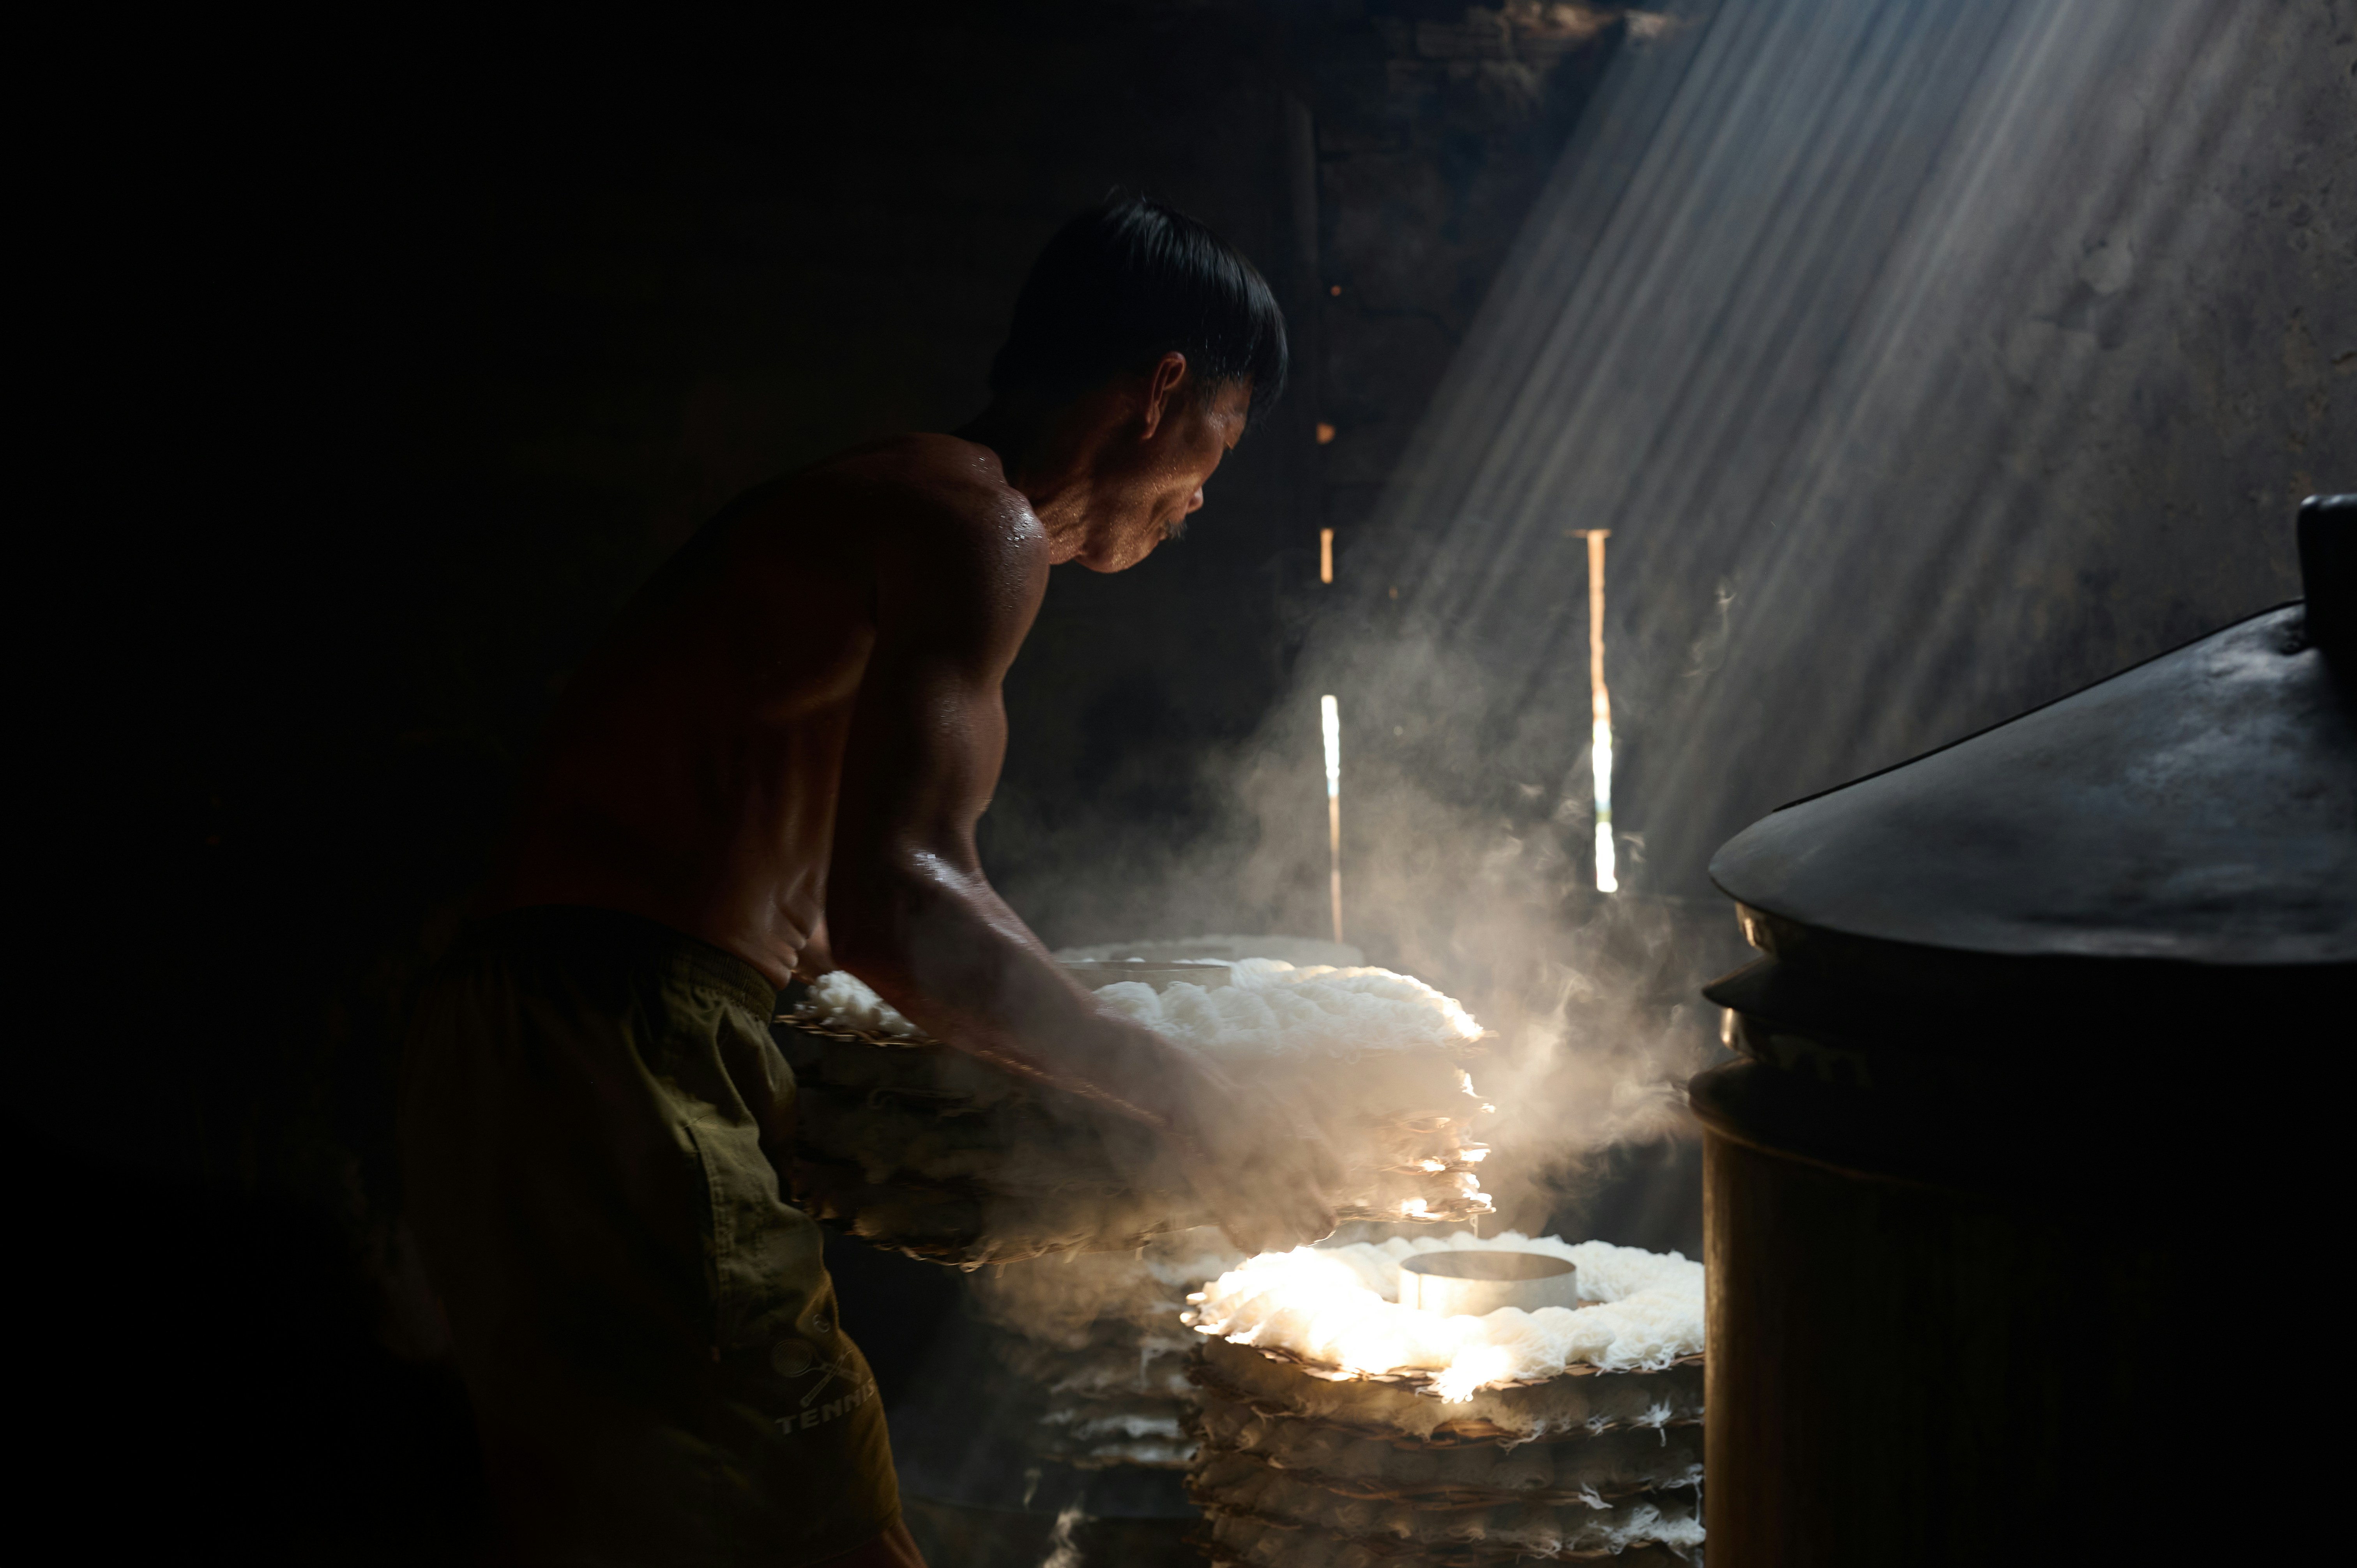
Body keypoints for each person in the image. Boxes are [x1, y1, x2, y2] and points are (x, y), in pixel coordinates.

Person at [399, 194, 1339, 1567]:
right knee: (813, 1516)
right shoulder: (977, 523)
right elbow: (902, 901)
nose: (1205, 495)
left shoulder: (892, 510)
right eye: (1224, 445)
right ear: (1163, 392)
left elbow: (843, 911)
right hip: (619, 1041)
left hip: (519, 1033)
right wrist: (1185, 1091)